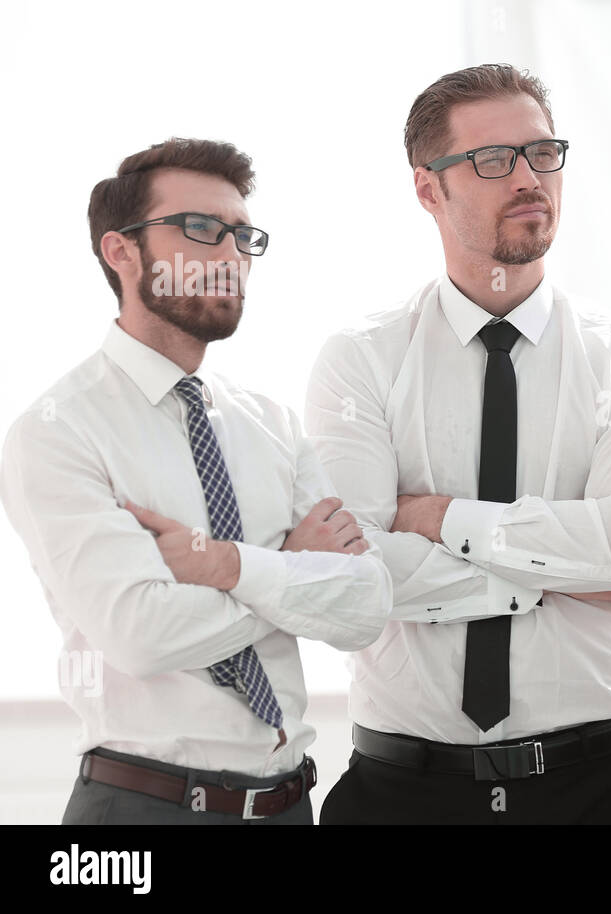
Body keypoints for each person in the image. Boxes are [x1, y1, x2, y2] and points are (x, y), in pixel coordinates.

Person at [307, 65, 611, 825]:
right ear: (428, 189)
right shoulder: (361, 360)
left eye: (543, 153)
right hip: (402, 790)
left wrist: (436, 517)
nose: (530, 178)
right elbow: (347, 578)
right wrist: (556, 571)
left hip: (593, 783)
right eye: (495, 160)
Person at [0, 138, 393, 824]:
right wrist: (294, 569)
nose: (231, 256)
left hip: (289, 803)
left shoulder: (270, 421)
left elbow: (364, 608)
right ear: (120, 251)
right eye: (202, 231)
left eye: (243, 236)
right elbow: (141, 635)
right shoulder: (59, 428)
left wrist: (226, 566)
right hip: (143, 809)